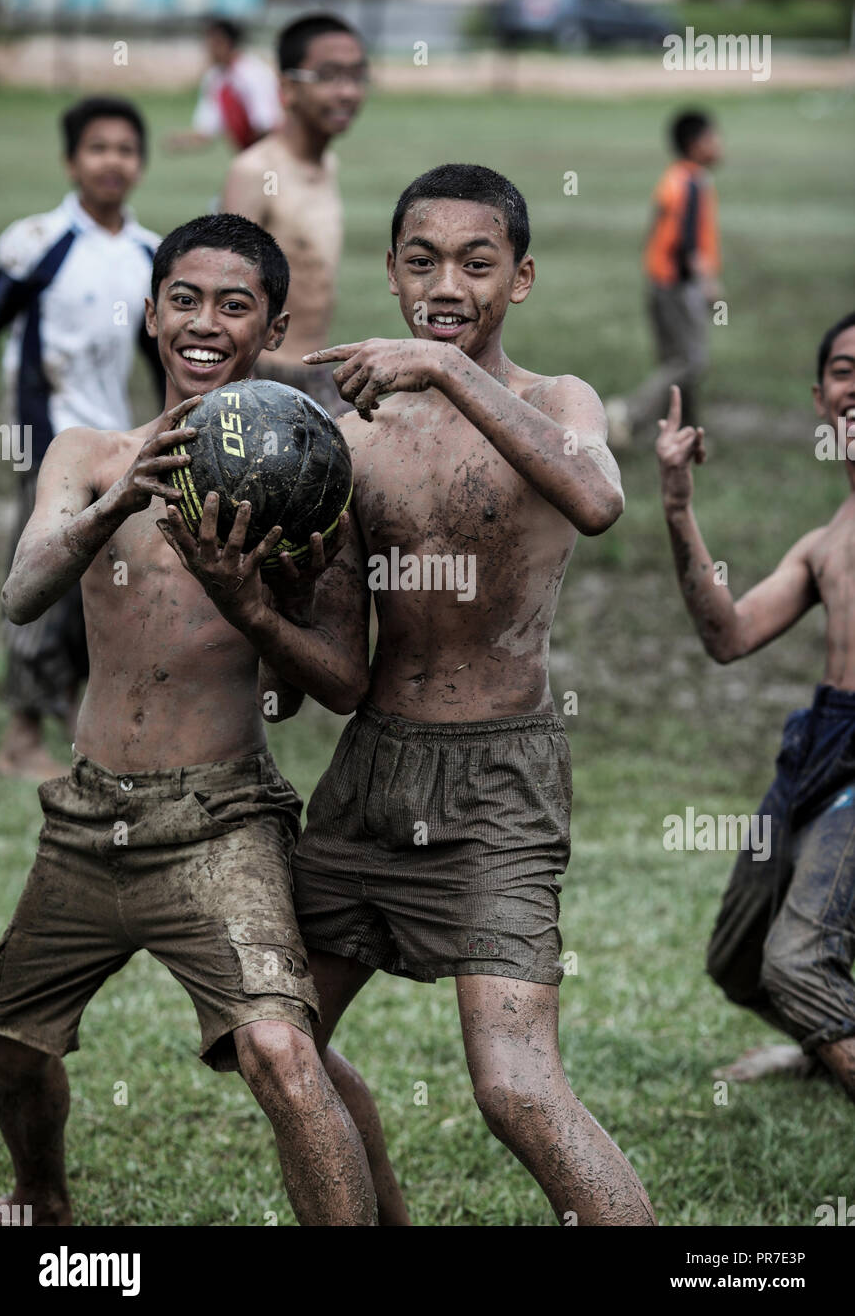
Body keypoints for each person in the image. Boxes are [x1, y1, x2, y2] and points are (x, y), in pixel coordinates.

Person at [186, 163, 655, 1225]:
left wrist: (443, 374)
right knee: (274, 1040)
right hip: (373, 776)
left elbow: (594, 498)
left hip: (499, 783)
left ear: (520, 279)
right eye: (420, 261)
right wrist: (257, 609)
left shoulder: (553, 401)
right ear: (391, 276)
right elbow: (340, 677)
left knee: (516, 1091)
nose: (446, 283)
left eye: (475, 263)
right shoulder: (351, 442)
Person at [0, 213, 375, 1226]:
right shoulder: (87, 451)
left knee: (283, 1051)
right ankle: (41, 1195)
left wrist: (258, 608)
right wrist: (113, 503)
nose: (205, 323)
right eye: (185, 298)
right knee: (7, 1041)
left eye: (235, 305)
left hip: (220, 820)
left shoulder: (307, 480)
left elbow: (333, 682)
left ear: (274, 324)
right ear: (151, 312)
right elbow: (23, 595)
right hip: (87, 817)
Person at [655, 311, 855, 1103]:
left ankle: (825, 1016)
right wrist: (677, 507)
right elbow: (728, 635)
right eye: (844, 370)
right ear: (819, 397)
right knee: (738, 964)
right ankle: (825, 1039)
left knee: (798, 962)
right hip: (822, 744)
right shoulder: (826, 541)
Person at [0, 95, 164, 781]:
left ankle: (77, 711)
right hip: (45, 439)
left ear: (141, 163)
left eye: (125, 149)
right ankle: (21, 734)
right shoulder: (38, 244)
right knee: (41, 574)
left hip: (110, 441)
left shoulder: (150, 254)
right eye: (97, 148)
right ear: (71, 160)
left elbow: (161, 359)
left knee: (109, 574)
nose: (112, 161)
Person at [221, 13, 368, 417]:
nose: (347, 91)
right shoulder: (254, 172)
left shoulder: (328, 164)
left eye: (357, 76)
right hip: (264, 381)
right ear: (287, 87)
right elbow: (224, 293)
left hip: (318, 373)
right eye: (329, 76)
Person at [608, 110, 723, 447]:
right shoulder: (692, 182)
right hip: (677, 283)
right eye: (714, 138)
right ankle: (627, 413)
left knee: (678, 361)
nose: (720, 145)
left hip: (660, 280)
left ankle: (687, 434)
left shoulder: (673, 178)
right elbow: (687, 240)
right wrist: (706, 280)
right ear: (696, 144)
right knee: (689, 361)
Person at [165, 17, 281, 154]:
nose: (208, 49)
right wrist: (181, 140)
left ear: (227, 44)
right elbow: (206, 129)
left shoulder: (253, 74)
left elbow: (266, 124)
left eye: (213, 43)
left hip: (271, 151)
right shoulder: (214, 78)